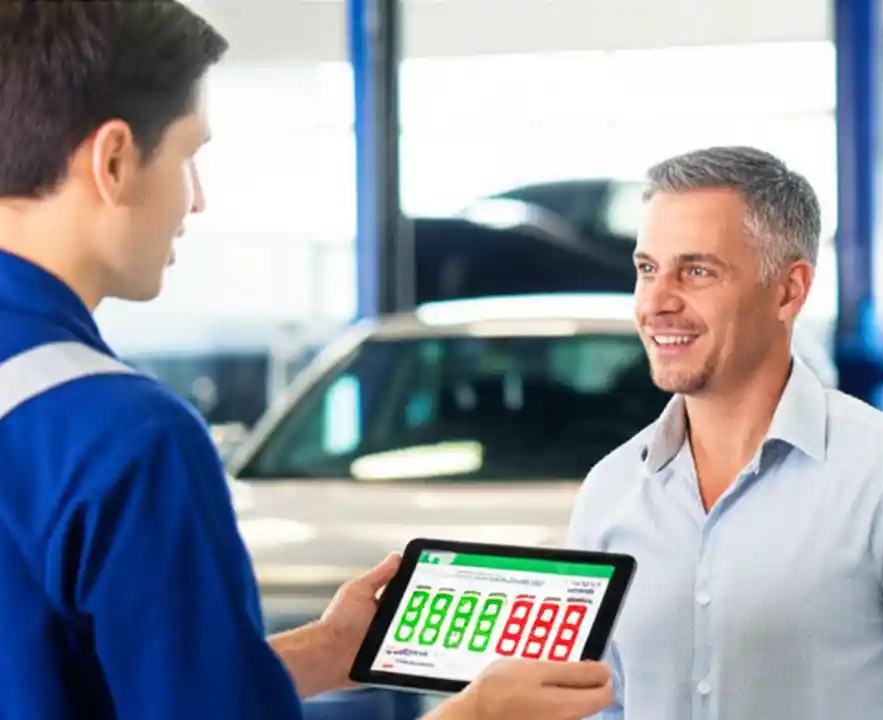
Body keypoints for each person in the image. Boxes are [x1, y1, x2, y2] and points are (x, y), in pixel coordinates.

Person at [0, 3, 611, 720]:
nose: (197, 200)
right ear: (112, 161)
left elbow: (65, 671)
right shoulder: (125, 437)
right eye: (188, 154)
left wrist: (323, 650)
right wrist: (476, 715)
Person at [567, 146, 883, 719]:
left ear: (789, 290)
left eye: (697, 271)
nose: (658, 302)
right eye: (647, 269)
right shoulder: (610, 491)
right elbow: (603, 706)